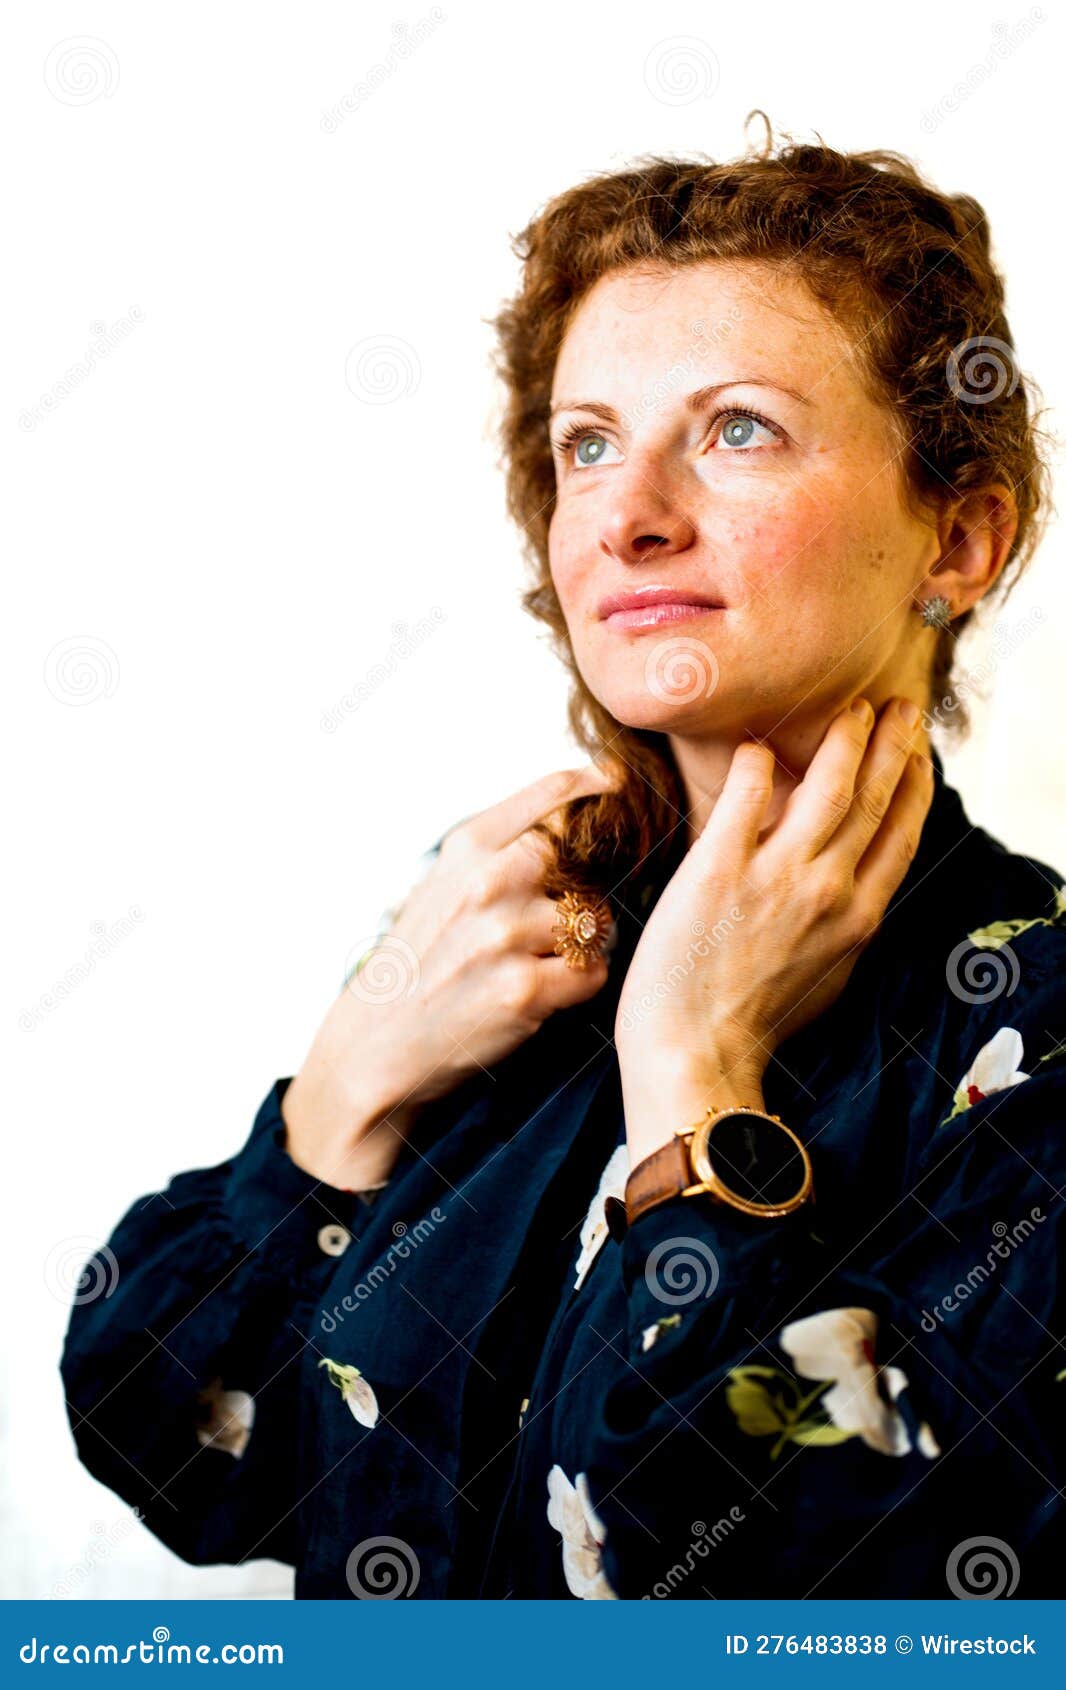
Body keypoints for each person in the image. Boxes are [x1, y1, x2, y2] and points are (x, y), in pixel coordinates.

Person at [62, 123, 1066, 1600]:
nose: (629, 512)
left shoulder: (1030, 1026)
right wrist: (343, 1090)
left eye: (735, 428)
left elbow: (732, 1587)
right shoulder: (507, 930)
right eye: (583, 443)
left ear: (963, 536)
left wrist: (696, 1078)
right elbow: (187, 1448)